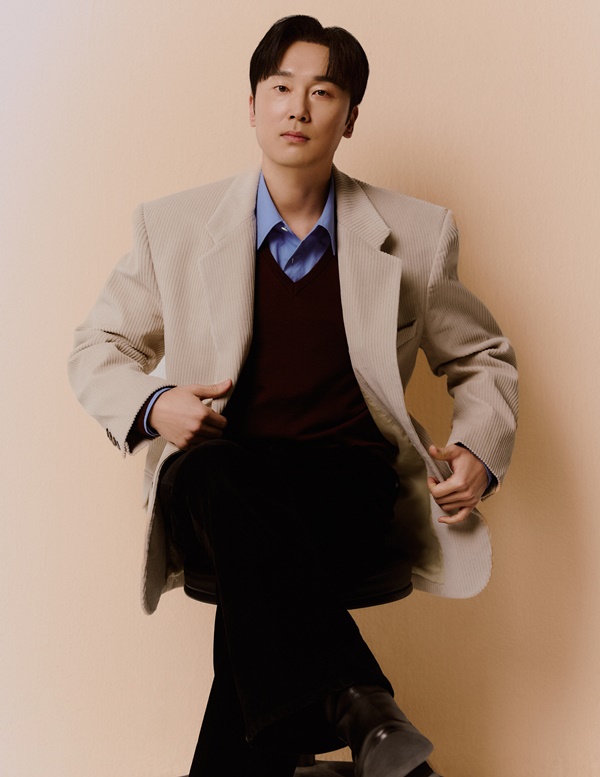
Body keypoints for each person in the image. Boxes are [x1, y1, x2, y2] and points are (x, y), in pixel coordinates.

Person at [68, 14, 518, 777]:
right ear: (252, 106)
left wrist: (478, 446)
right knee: (222, 479)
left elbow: (482, 355)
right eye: (280, 88)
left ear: (351, 116)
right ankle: (361, 702)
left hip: (345, 484)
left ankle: (344, 731)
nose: (298, 108)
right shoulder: (173, 226)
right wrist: (155, 403)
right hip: (216, 478)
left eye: (322, 91)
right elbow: (96, 346)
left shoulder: (415, 232)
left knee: (264, 583)